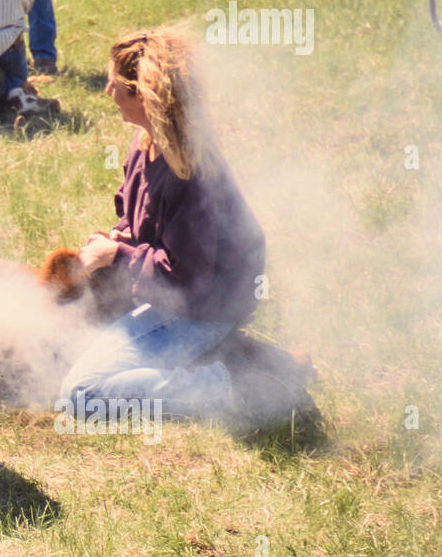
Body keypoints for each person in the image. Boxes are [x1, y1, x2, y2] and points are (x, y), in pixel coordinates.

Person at [58, 29, 310, 424]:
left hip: (201, 309)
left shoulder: (189, 172)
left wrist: (118, 255)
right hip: (178, 300)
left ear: (143, 94)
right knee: (73, 351)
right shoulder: (145, 142)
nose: (108, 91)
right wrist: (119, 235)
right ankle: (239, 360)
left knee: (82, 394)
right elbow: (140, 220)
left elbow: (187, 279)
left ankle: (238, 385)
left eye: (116, 84)